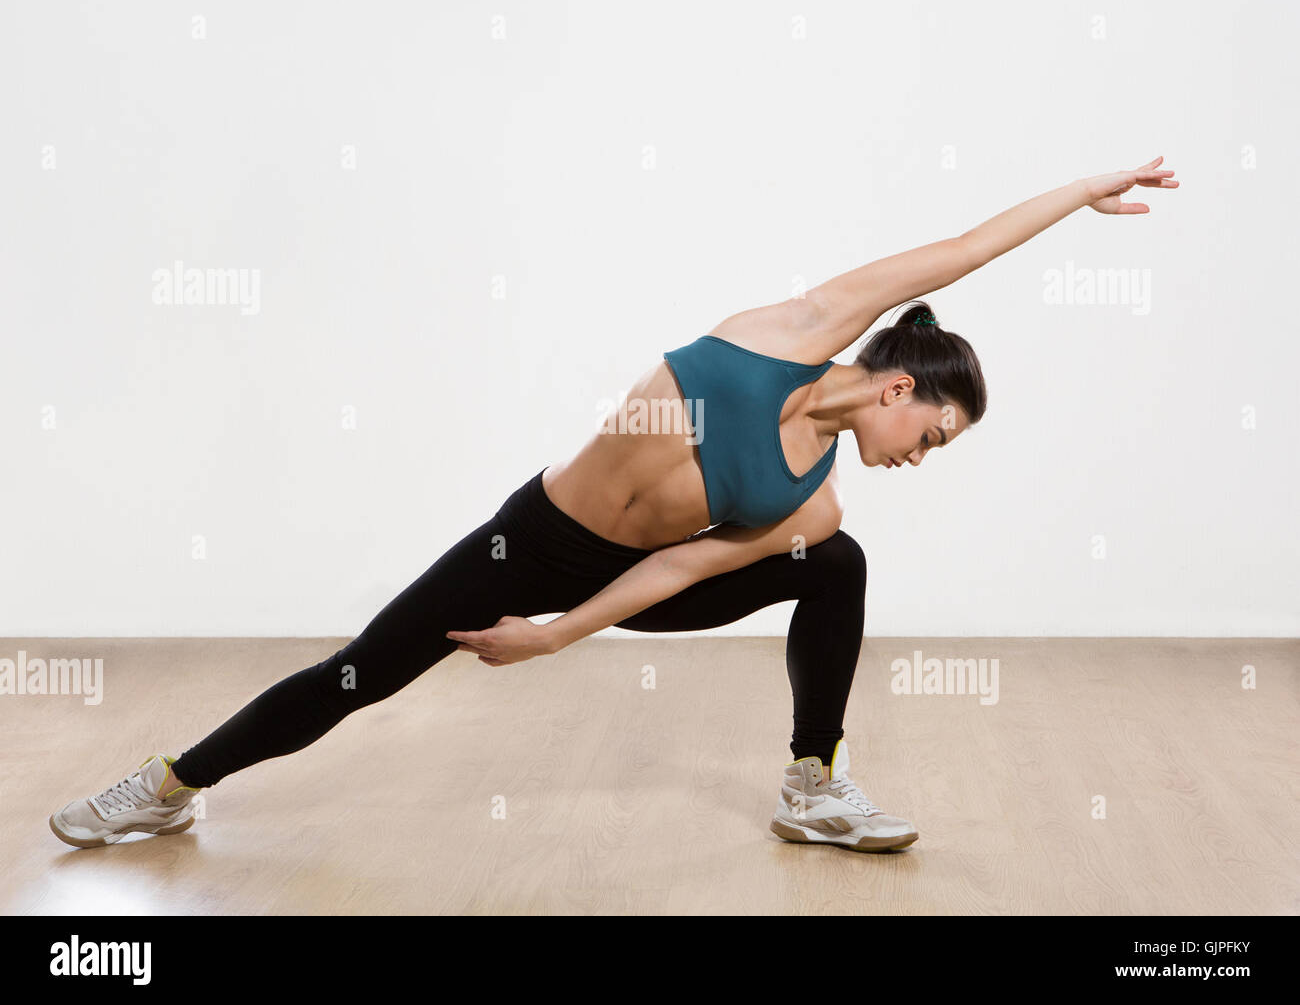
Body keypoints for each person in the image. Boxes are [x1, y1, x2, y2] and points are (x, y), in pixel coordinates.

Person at [49, 158, 1177, 854]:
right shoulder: (796, 328)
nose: (922, 456)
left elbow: (679, 570)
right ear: (897, 384)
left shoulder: (810, 507)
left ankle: (814, 778)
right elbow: (967, 247)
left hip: (616, 585)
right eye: (929, 434)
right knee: (362, 671)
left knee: (838, 566)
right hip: (530, 539)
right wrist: (1080, 195)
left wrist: (557, 638)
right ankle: (166, 786)